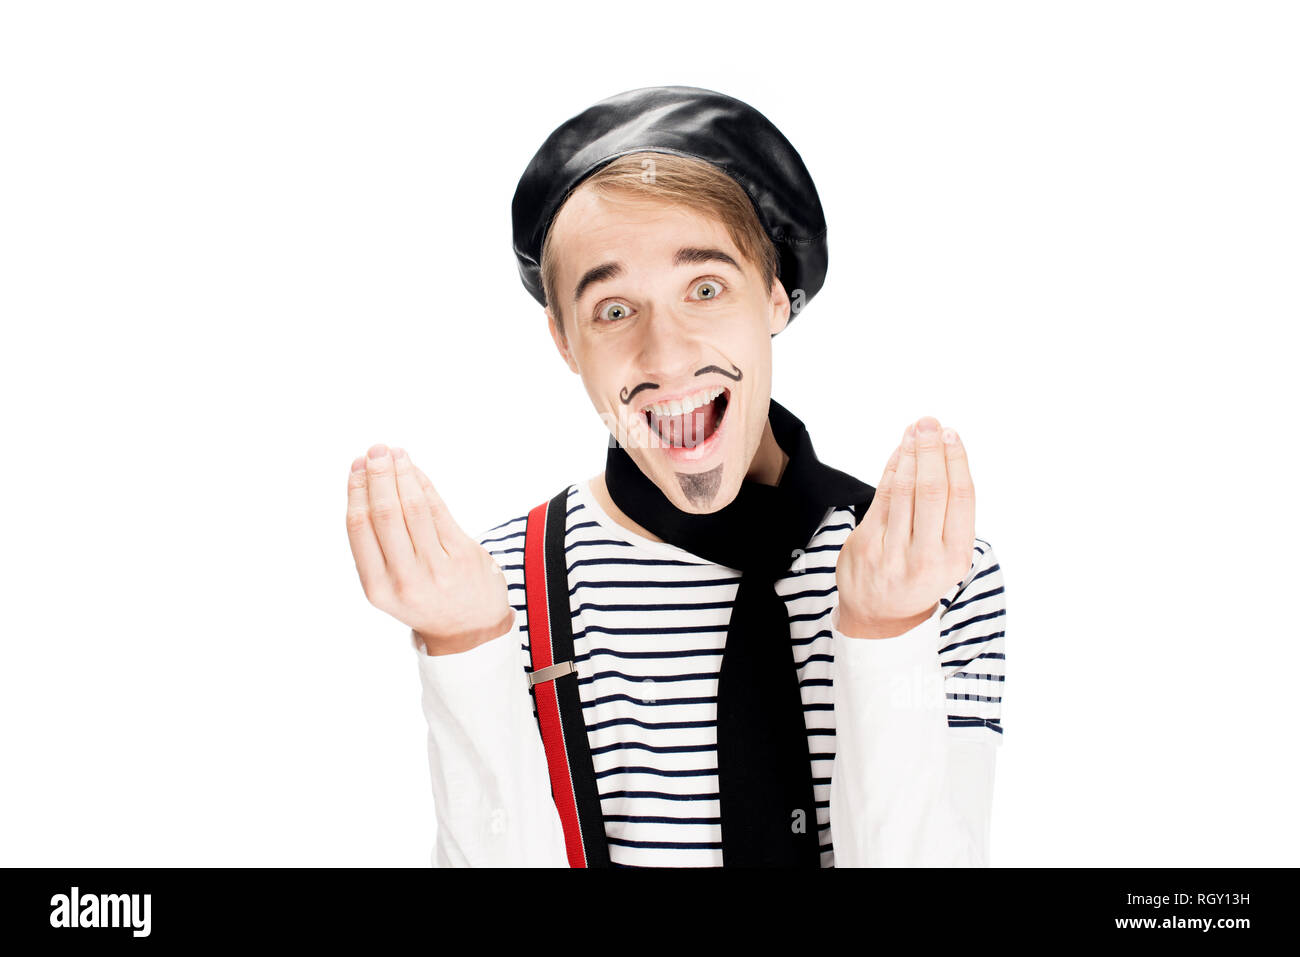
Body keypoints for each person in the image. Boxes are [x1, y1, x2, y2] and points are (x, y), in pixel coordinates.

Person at [345, 86, 1007, 867]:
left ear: (773, 296)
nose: (664, 356)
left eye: (704, 288)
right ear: (564, 341)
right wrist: (465, 646)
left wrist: (888, 633)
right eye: (614, 310)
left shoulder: (942, 570)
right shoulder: (497, 588)